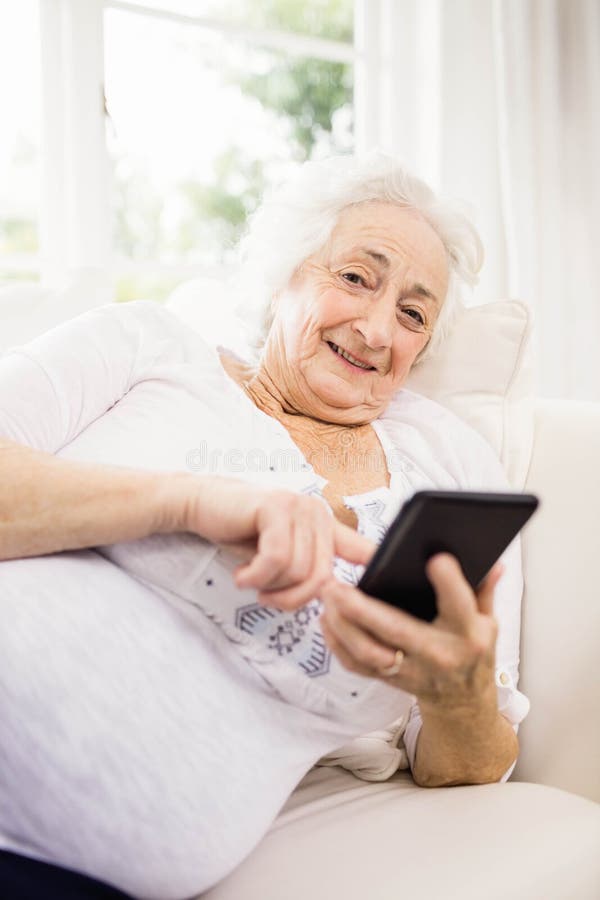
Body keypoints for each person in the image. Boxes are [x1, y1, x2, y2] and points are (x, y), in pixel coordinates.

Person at [0, 153, 529, 900]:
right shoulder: (148, 348)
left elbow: (471, 762)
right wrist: (183, 503)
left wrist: (459, 695)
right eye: (356, 277)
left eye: (414, 314)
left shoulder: (454, 469)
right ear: (285, 273)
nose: (378, 330)